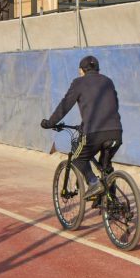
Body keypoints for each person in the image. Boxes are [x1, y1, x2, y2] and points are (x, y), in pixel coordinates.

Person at [40, 55, 122, 198]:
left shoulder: (79, 83)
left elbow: (65, 105)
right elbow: (115, 104)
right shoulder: (108, 81)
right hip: (116, 132)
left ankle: (93, 182)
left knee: (78, 159)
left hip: (93, 133)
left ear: (82, 70)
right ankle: (112, 200)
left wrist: (50, 123)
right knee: (105, 166)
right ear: (97, 69)